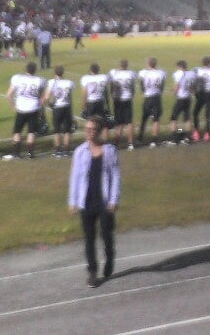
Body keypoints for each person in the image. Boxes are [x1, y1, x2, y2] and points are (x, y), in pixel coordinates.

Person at [68, 114, 121, 288]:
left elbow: (115, 176)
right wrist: (73, 201)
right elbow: (75, 177)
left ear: (99, 131)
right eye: (87, 129)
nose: (88, 132)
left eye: (92, 130)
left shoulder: (110, 151)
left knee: (106, 235)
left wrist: (113, 200)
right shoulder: (80, 152)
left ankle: (109, 258)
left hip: (104, 201)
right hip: (87, 201)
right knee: (89, 238)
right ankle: (92, 272)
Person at [5, 62, 46, 159]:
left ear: (26, 69)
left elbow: (8, 95)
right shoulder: (40, 80)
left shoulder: (18, 78)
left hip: (21, 109)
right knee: (31, 132)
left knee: (17, 132)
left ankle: (16, 153)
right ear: (35, 70)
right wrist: (40, 107)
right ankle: (30, 153)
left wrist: (13, 106)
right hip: (33, 109)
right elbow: (42, 97)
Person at [43, 65, 75, 157]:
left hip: (57, 108)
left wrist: (48, 104)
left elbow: (46, 97)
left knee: (57, 130)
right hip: (67, 107)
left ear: (55, 73)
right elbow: (69, 97)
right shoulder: (69, 82)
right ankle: (66, 150)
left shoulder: (52, 82)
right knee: (67, 131)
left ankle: (57, 151)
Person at [137, 57, 166, 147]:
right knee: (156, 119)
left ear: (148, 63)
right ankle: (154, 140)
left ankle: (140, 138)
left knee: (144, 118)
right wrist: (159, 91)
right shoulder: (161, 73)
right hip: (157, 97)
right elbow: (162, 85)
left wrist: (144, 91)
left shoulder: (143, 72)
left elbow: (141, 84)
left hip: (148, 97)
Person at [166, 60, 196, 145]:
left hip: (180, 99)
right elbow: (193, 87)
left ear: (180, 66)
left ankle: (174, 139)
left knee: (173, 118)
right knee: (187, 118)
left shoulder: (178, 74)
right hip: (188, 98)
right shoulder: (191, 74)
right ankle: (187, 138)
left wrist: (173, 92)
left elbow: (177, 86)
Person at [108, 59, 136, 149]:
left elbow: (111, 86)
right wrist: (131, 94)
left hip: (117, 99)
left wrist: (112, 94)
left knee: (118, 123)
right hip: (127, 98)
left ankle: (116, 143)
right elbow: (132, 87)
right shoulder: (131, 73)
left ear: (119, 65)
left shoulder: (113, 73)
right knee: (129, 123)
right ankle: (131, 143)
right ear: (127, 65)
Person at [191, 56, 210, 142]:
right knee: (207, 114)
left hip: (200, 94)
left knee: (195, 113)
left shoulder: (196, 70)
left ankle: (196, 132)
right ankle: (207, 133)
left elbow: (193, 82)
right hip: (209, 94)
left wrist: (193, 91)